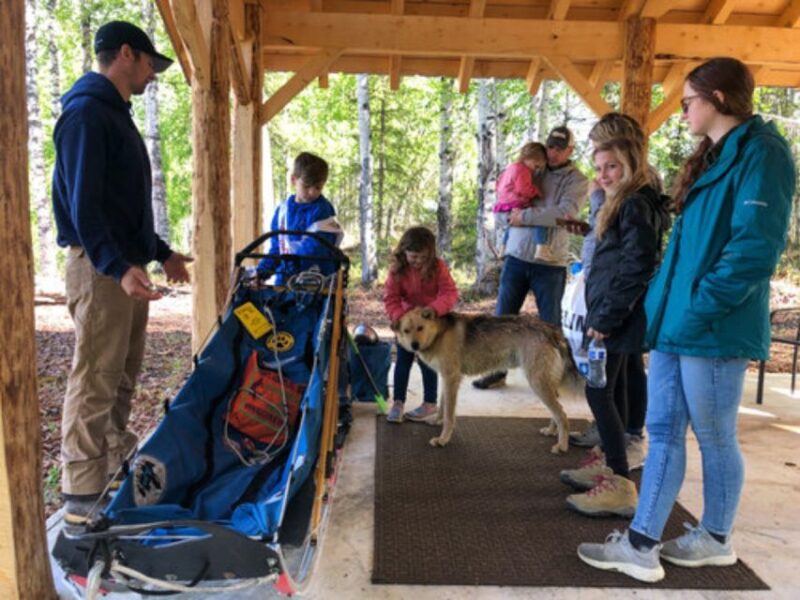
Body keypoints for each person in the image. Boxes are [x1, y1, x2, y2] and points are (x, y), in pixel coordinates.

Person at [578, 57, 796, 583]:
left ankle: (716, 538)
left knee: (715, 436)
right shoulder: (718, 155)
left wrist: (697, 307)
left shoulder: (762, 153)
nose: (682, 112)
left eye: (688, 101)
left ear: (718, 99)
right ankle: (642, 544)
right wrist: (666, 310)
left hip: (713, 326)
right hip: (680, 324)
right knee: (663, 432)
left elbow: (753, 249)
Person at [52, 21, 192, 524]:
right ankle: (80, 495)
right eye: (151, 64)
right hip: (100, 269)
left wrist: (160, 252)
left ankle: (110, 473)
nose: (153, 75)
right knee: (95, 378)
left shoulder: (114, 115)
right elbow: (84, 207)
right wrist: (116, 266)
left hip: (123, 267)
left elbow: (121, 208)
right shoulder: (87, 114)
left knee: (120, 377)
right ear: (127, 54)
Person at [559, 136, 669, 518]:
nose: (604, 175)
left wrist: (605, 318)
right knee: (612, 390)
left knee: (598, 391)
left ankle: (620, 485)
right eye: (600, 166)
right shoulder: (620, 202)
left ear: (632, 165)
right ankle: (612, 465)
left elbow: (636, 266)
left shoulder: (635, 204)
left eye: (613, 166)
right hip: (612, 313)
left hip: (617, 317)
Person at [473, 126, 588, 389]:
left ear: (571, 150)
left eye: (560, 148)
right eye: (550, 147)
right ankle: (496, 370)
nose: (553, 153)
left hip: (550, 263)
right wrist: (506, 217)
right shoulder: (530, 168)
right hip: (516, 257)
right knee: (502, 320)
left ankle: (556, 375)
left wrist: (523, 217)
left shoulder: (577, 180)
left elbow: (565, 213)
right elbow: (505, 205)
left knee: (551, 325)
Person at [384, 227, 458, 423]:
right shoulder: (397, 270)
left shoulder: (438, 267)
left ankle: (429, 403)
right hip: (406, 324)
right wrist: (398, 318)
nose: (417, 261)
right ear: (404, 252)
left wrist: (434, 309)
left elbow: (449, 293)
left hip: (430, 324)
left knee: (429, 362)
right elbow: (391, 297)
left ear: (430, 254)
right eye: (413, 256)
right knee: (403, 361)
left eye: (422, 257)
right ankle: (398, 402)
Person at [256, 152, 344, 283]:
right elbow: (277, 248)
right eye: (307, 186)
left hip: (317, 283)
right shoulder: (282, 212)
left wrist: (290, 264)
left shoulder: (323, 210)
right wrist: (261, 273)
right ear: (293, 180)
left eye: (318, 187)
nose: (312, 192)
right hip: (285, 282)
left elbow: (315, 248)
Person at [493, 142, 547, 255]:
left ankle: (503, 247)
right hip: (513, 203)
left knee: (511, 224)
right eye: (536, 166)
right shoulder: (523, 170)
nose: (535, 170)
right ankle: (541, 248)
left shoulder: (511, 167)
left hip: (502, 205)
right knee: (539, 218)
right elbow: (523, 190)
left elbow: (498, 184)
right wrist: (536, 191)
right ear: (529, 158)